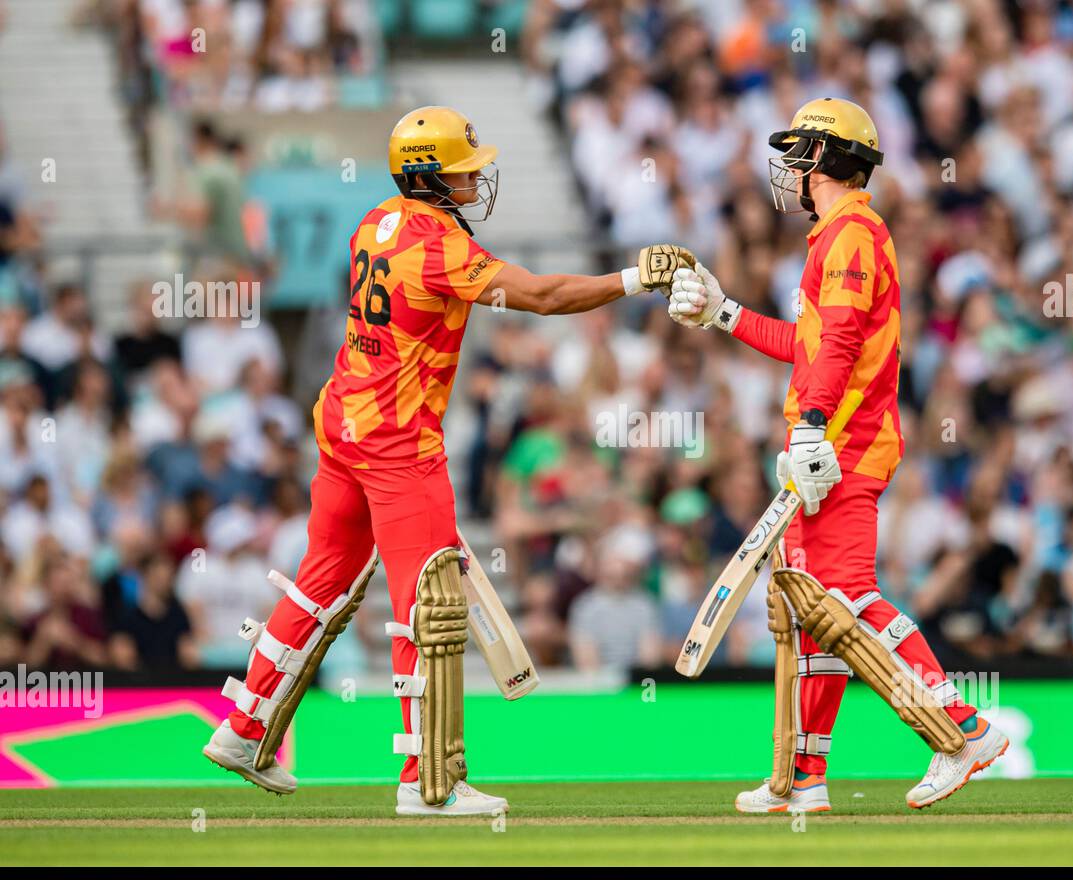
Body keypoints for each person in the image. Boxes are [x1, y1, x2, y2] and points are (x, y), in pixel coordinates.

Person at [202, 106, 694, 817]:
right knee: (426, 612)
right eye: (463, 168)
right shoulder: (438, 247)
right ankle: (426, 784)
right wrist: (630, 278)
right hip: (400, 445)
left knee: (319, 588)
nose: (474, 178)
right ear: (431, 173)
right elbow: (543, 296)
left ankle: (244, 729)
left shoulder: (374, 222)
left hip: (343, 425)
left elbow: (425, 308)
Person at [666, 97, 1009, 813]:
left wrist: (813, 425)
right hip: (831, 437)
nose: (786, 169)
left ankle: (963, 728)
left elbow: (843, 342)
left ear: (821, 160)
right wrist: (724, 312)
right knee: (811, 614)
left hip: (845, 441)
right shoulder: (836, 235)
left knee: (846, 599)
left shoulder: (852, 232)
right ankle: (804, 778)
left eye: (795, 154)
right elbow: (809, 347)